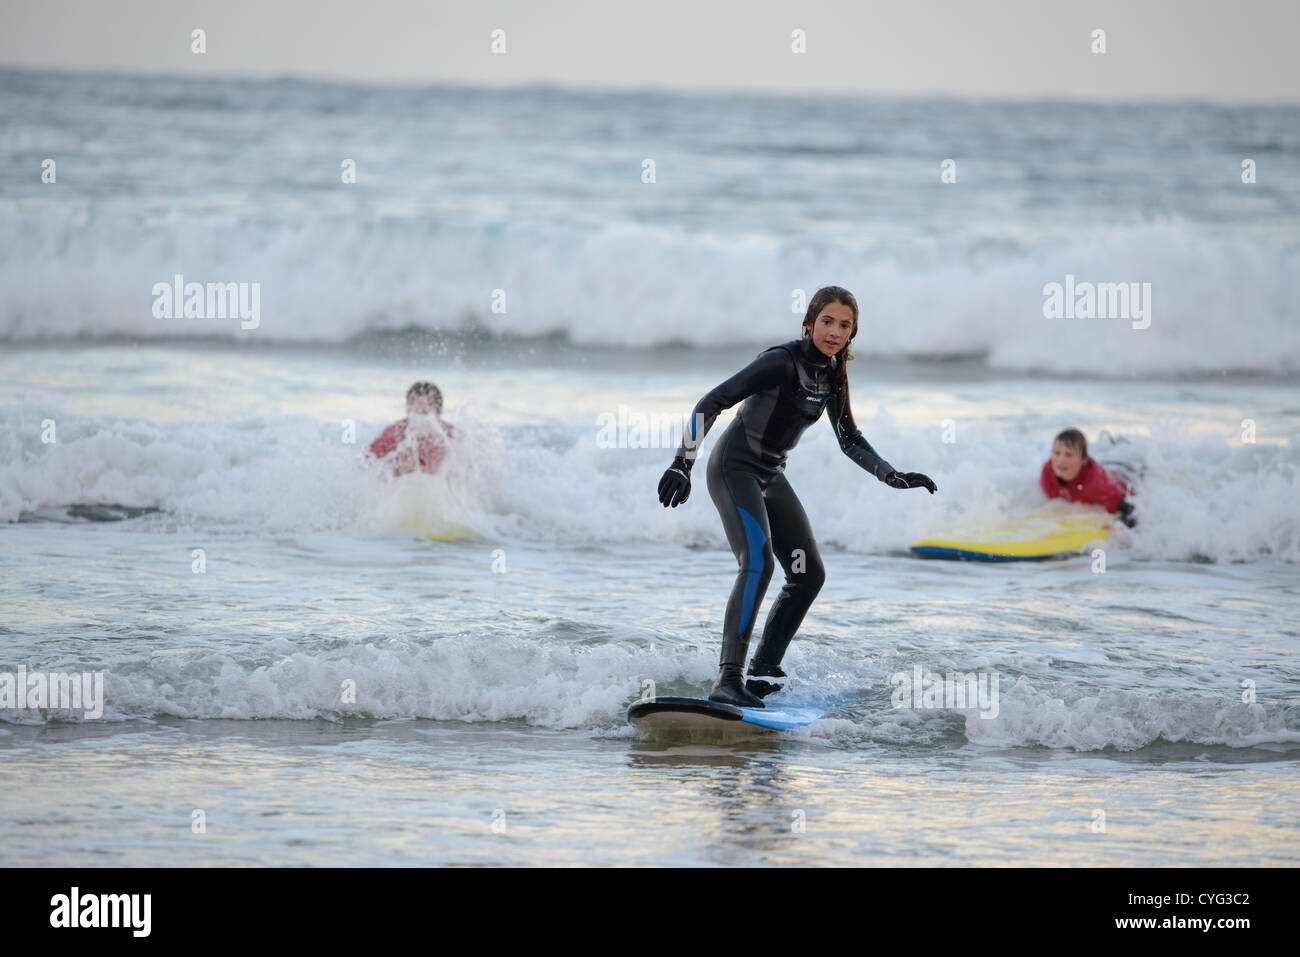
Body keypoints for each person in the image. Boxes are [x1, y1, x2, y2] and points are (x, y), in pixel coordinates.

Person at [657, 286, 937, 709]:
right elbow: (711, 402)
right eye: (827, 321)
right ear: (808, 324)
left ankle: (761, 673)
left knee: (808, 575)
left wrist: (891, 475)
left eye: (845, 325)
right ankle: (727, 679)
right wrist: (683, 462)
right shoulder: (780, 362)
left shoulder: (833, 372)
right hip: (734, 468)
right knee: (758, 562)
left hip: (770, 475)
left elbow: (850, 438)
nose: (834, 331)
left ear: (852, 333)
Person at [1040, 428, 1137, 527]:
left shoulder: (1095, 484)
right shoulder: (1048, 473)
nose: (1060, 460)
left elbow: (1127, 503)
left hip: (1125, 474)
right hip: (1104, 467)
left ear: (1084, 460)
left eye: (1068, 454)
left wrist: (1115, 522)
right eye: (1056, 453)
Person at [367, 381, 457, 476]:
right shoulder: (394, 433)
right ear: (407, 410)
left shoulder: (451, 436)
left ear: (438, 414)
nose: (419, 420)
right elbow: (366, 461)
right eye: (415, 412)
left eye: (424, 413)